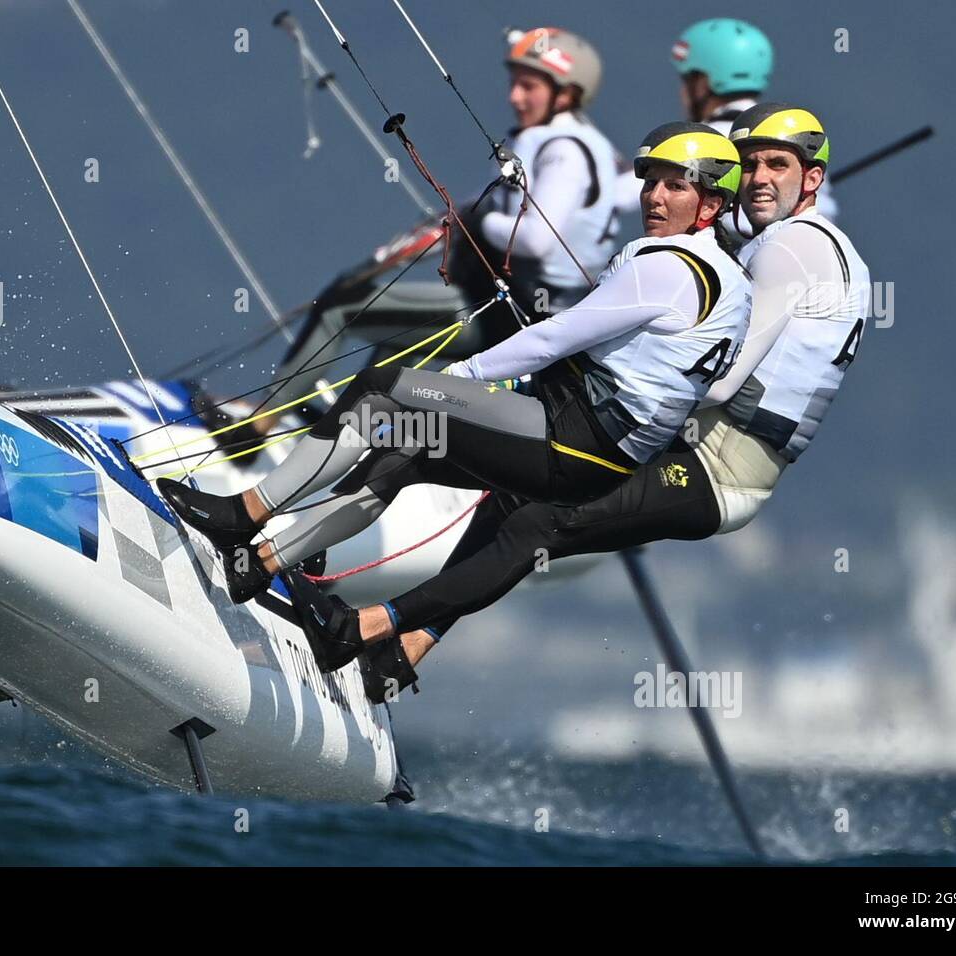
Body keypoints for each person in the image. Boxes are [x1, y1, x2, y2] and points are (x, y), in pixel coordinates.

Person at [323, 104, 871, 704]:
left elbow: (718, 382)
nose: (759, 177)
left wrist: (598, 360)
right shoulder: (810, 244)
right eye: (750, 164)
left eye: (777, 165)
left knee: (540, 519)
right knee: (513, 496)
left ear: (811, 177)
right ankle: (401, 653)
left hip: (719, 470)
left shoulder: (788, 249)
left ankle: (363, 626)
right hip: (700, 450)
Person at [159, 123, 753, 675]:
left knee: (383, 391)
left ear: (711, 205)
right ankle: (261, 566)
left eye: (677, 186)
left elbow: (554, 337)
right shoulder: (733, 285)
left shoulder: (668, 267)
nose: (656, 197)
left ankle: (246, 515)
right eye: (651, 181)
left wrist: (465, 375)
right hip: (597, 449)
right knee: (405, 454)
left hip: (570, 443)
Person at [248, 28, 623, 437]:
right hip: (515, 312)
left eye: (528, 86)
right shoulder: (580, 145)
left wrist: (476, 223)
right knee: (396, 350)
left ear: (566, 94)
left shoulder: (563, 150)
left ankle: (256, 428)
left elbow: (536, 239)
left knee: (341, 302)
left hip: (505, 314)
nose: (515, 96)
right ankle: (341, 435)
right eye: (514, 82)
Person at [615, 18, 837, 228]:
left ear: (702, 83)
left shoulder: (710, 141)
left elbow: (616, 197)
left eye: (687, 79)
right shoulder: (794, 136)